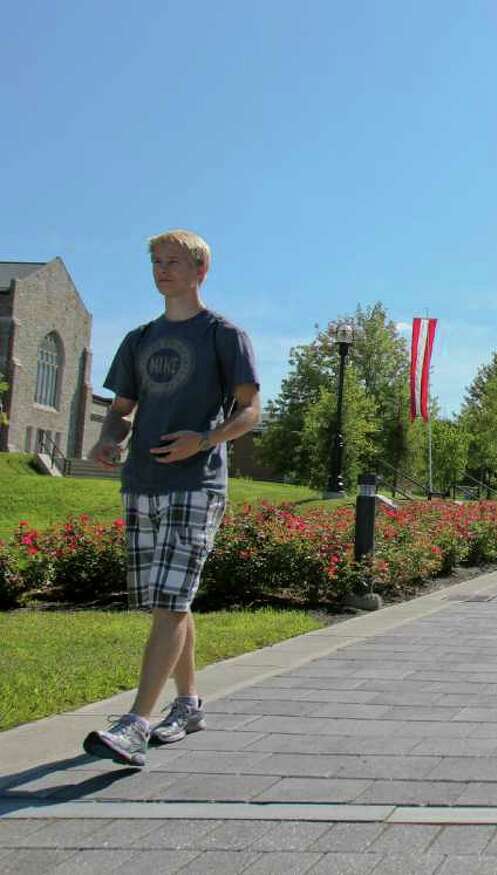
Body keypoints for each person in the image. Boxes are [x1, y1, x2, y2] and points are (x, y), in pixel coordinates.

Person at [82, 230, 260, 768]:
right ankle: (188, 703)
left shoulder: (223, 335)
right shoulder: (138, 339)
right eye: (156, 262)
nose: (162, 270)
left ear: (200, 270)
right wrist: (110, 437)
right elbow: (122, 406)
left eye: (174, 262)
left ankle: (135, 722)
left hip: (196, 483)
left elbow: (250, 411)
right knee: (169, 601)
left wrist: (202, 440)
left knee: (170, 600)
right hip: (141, 482)